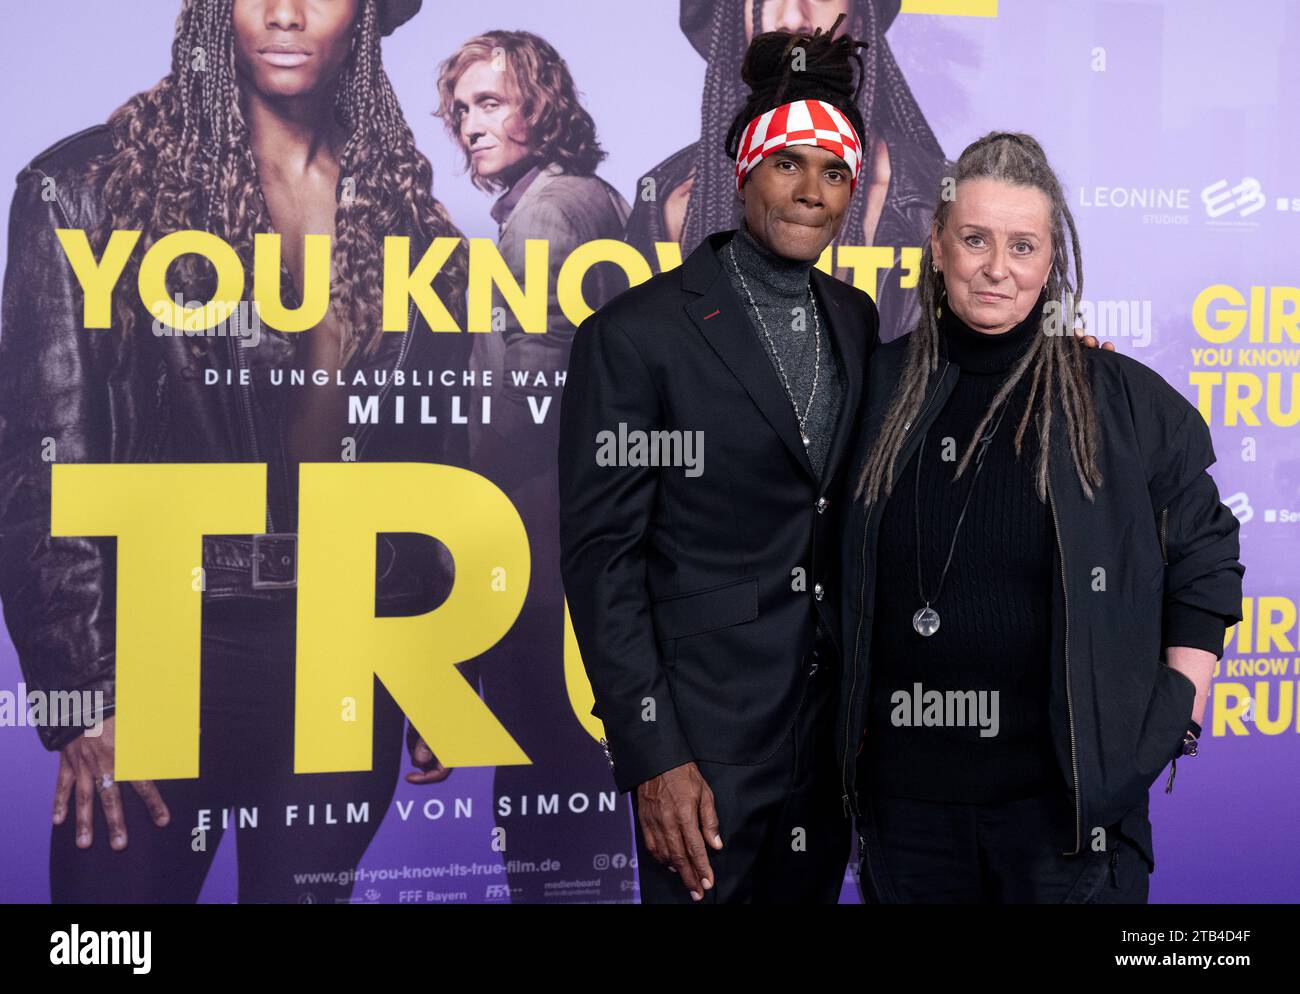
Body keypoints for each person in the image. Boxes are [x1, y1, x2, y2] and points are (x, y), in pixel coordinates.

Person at [0, 0, 470, 903]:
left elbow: (431, 459)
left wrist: (433, 659)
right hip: (158, 645)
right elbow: (42, 451)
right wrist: (81, 690)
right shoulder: (89, 188)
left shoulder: (421, 228)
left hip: (345, 647)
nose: (286, 13)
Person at [838, 131, 1245, 903]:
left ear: (1051, 259)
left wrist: (1169, 722)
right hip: (910, 814)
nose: (998, 268)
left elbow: (1207, 562)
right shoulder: (873, 391)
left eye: (1023, 246)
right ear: (936, 246)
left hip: (1068, 820)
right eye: (975, 240)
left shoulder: (1121, 401)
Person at [560, 20, 881, 904]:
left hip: (823, 750)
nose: (812, 192)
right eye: (789, 163)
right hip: (701, 753)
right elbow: (602, 563)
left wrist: (1067, 362)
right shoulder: (636, 336)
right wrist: (654, 754)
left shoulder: (854, 320)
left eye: (835, 171)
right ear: (743, 172)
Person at [433, 28, 635, 903]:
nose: (471, 126)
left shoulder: (551, 210)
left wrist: (456, 502)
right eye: (462, 109)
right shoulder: (582, 198)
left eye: (492, 103)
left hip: (536, 549)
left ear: (539, 106)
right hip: (572, 545)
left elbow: (533, 393)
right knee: (569, 795)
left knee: (550, 797)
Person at [625, 0, 948, 344]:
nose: (793, 18)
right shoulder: (667, 201)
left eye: (834, 174)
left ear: (862, 8)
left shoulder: (937, 202)